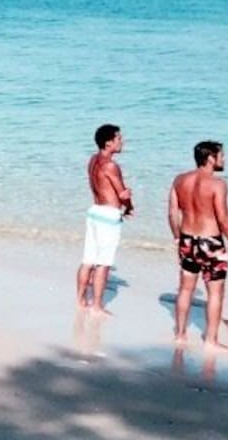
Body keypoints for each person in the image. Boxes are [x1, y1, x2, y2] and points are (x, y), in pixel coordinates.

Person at [168, 140, 228, 349]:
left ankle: (180, 335)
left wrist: (177, 237)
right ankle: (211, 340)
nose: (224, 159)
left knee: (185, 290)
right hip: (210, 242)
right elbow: (223, 219)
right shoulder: (218, 184)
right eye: (222, 155)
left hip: (187, 239)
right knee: (215, 293)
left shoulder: (179, 180)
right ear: (211, 158)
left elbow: (172, 213)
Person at [77, 124, 131, 315]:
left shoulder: (93, 160)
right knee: (104, 262)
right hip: (108, 215)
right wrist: (129, 205)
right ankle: (97, 306)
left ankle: (81, 300)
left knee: (88, 260)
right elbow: (122, 193)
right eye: (119, 138)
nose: (122, 142)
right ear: (108, 143)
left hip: (94, 211)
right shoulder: (111, 165)